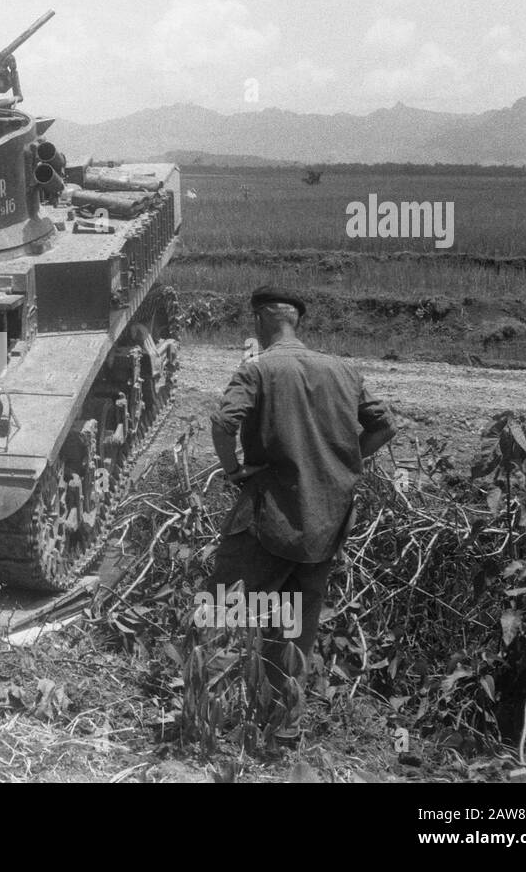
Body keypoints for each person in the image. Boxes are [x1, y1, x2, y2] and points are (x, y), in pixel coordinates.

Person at [208, 286, 395, 737]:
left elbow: (222, 423)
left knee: (219, 612)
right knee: (296, 631)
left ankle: (204, 719)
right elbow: (385, 424)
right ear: (297, 321)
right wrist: (345, 462)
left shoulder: (257, 369)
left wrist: (234, 471)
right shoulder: (344, 370)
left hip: (269, 519)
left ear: (258, 321)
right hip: (324, 525)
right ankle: (284, 730)